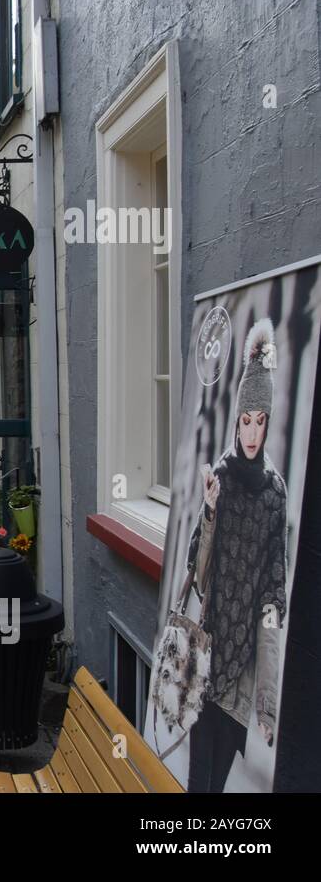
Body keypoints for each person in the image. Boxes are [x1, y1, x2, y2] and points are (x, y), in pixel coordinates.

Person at [181, 319, 287, 793]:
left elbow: (271, 591)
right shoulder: (220, 476)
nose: (251, 432)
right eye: (245, 420)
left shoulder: (275, 493)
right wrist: (208, 510)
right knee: (197, 776)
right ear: (237, 418)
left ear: (268, 422)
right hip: (207, 652)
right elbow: (199, 576)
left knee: (218, 781)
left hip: (242, 667)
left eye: (260, 421)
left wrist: (265, 703)